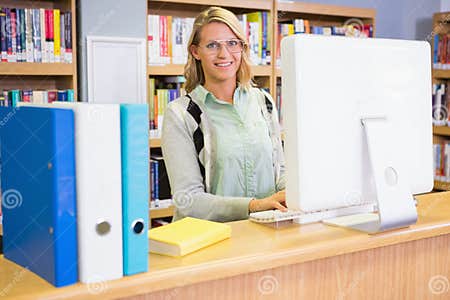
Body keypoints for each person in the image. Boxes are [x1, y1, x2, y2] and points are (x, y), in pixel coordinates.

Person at [161, 6, 287, 222]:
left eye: (232, 43)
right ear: (195, 52)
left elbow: (280, 171)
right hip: (210, 242)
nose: (224, 54)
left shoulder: (263, 101)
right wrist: (254, 206)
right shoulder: (180, 114)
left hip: (265, 233)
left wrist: (294, 194)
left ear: (242, 48)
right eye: (212, 45)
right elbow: (187, 199)